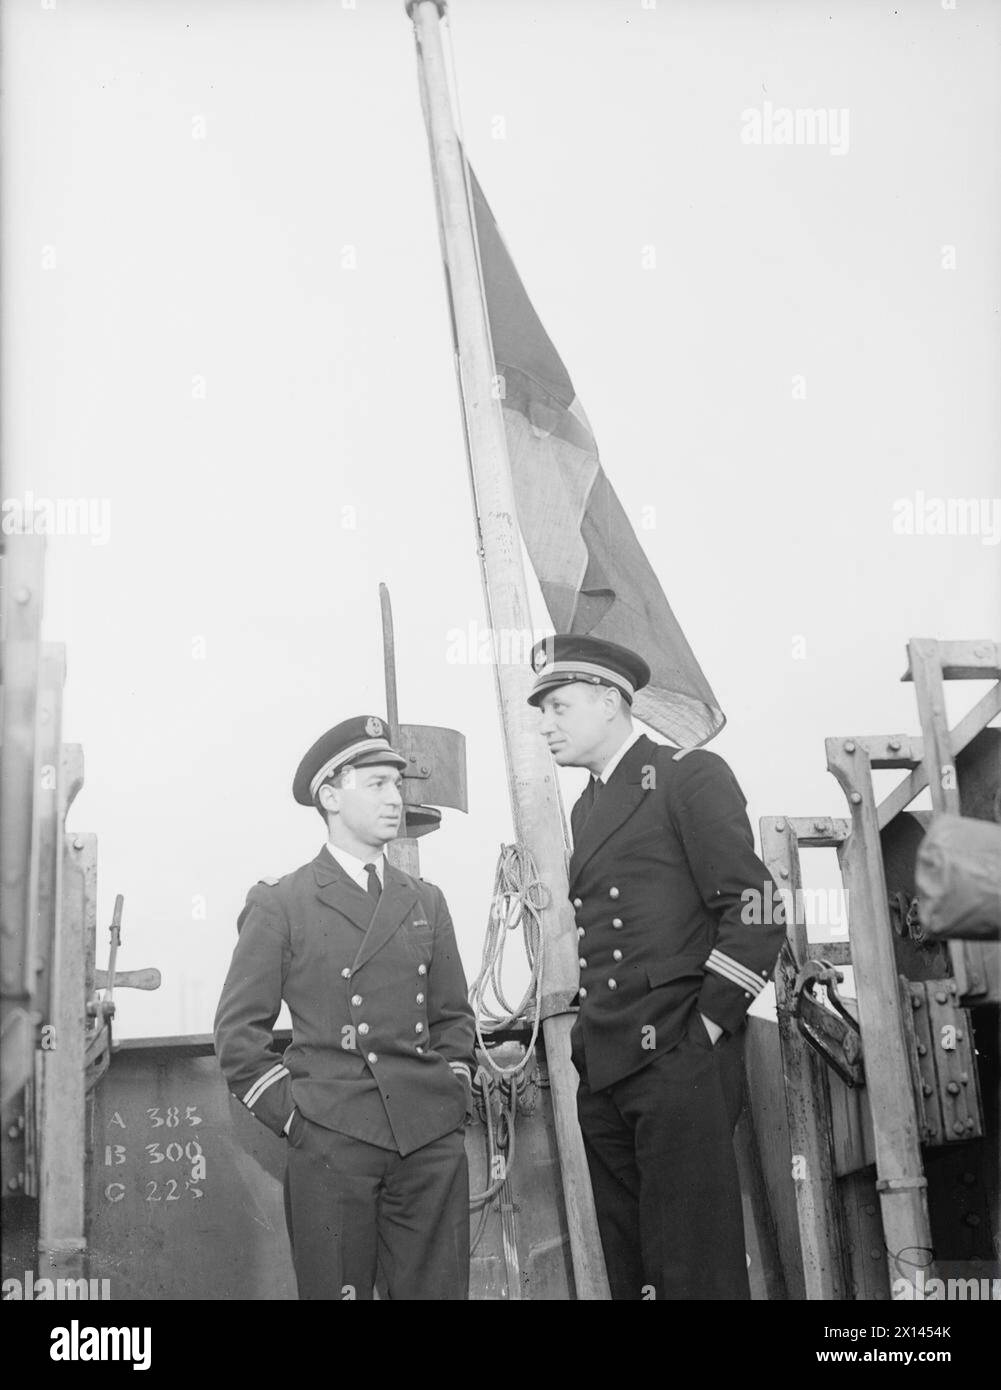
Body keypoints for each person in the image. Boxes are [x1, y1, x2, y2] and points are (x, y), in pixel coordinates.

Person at [528, 635, 784, 1300]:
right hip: (609, 1062)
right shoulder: (588, 807)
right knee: (635, 1268)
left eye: (558, 707)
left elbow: (754, 908)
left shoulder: (687, 776)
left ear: (610, 701)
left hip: (674, 1052)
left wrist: (705, 1028)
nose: (544, 724)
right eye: (541, 711)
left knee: (693, 1270)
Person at [214, 714, 476, 1300]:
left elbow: (453, 1018)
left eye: (397, 785)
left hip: (428, 1140)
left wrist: (453, 1090)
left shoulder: (425, 902)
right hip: (332, 1141)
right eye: (377, 784)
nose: (394, 799)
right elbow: (238, 1037)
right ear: (330, 796)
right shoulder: (282, 903)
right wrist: (299, 1122)